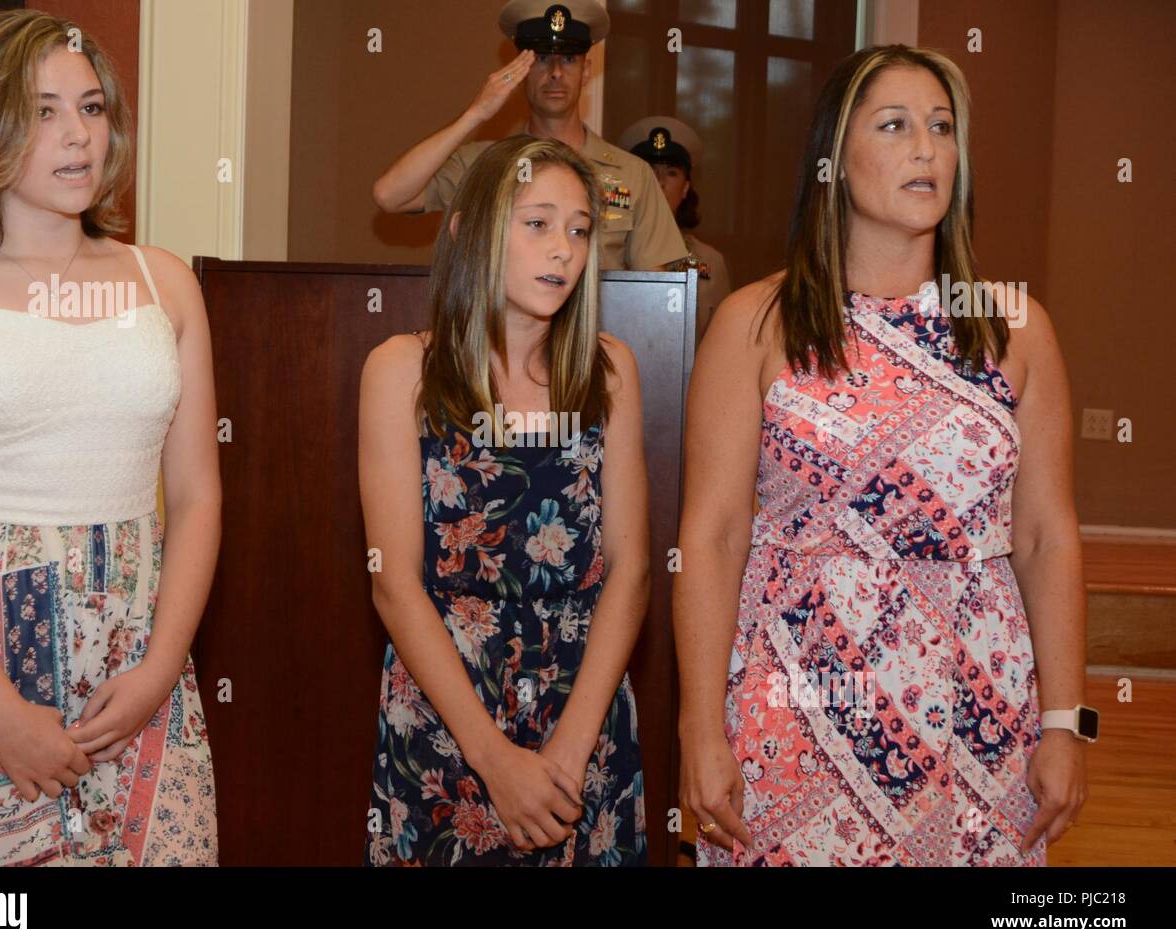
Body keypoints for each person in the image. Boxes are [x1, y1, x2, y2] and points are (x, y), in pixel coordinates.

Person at [673, 44, 1092, 866]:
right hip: (797, 695)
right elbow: (713, 535)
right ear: (833, 161)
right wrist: (698, 723)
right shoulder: (758, 322)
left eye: (942, 128)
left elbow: (1047, 535)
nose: (927, 148)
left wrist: (1066, 722)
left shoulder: (1014, 325)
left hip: (978, 701)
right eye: (895, 125)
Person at [0, 10, 220, 865]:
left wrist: (157, 671)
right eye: (43, 112)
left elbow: (197, 496)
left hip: (135, 666)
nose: (79, 136)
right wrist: (1, 712)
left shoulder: (166, 281)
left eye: (93, 108)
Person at [360, 134, 649, 865]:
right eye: (537, 222)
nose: (564, 249)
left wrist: (570, 752)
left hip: (583, 708)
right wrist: (494, 759)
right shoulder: (402, 372)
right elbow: (394, 585)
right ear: (469, 231)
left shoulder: (609, 369)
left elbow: (631, 568)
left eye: (580, 229)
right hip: (448, 718)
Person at [372, 0, 687, 273]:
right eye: (539, 58)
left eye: (568, 59)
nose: (555, 73)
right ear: (519, 70)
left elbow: (652, 292)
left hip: (597, 337)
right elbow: (390, 195)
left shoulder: (633, 174)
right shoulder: (486, 164)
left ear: (587, 71)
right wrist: (476, 114)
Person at [619, 117, 733, 346]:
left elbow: (722, 349)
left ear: (685, 188)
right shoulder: (609, 251)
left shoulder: (710, 262)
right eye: (649, 171)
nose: (660, 183)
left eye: (671, 173)